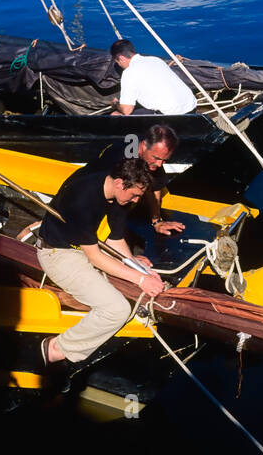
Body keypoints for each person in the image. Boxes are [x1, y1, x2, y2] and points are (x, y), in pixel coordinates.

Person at [36, 157, 165, 367]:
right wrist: (141, 280)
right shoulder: (83, 198)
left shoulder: (116, 195)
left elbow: (114, 239)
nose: (135, 201)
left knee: (130, 278)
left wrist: (136, 265)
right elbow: (94, 256)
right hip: (58, 254)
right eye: (133, 195)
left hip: (78, 249)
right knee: (116, 309)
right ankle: (56, 349)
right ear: (119, 183)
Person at [90, 124, 185, 240]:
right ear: (144, 145)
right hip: (92, 194)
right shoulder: (120, 158)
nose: (160, 164)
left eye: (164, 160)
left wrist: (157, 221)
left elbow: (155, 187)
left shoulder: (152, 159)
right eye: (157, 158)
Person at [109, 38, 197, 116]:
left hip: (173, 116)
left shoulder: (129, 72)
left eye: (117, 61)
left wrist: (116, 104)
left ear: (121, 58)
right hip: (191, 108)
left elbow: (126, 110)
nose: (119, 65)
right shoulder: (156, 59)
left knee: (115, 115)